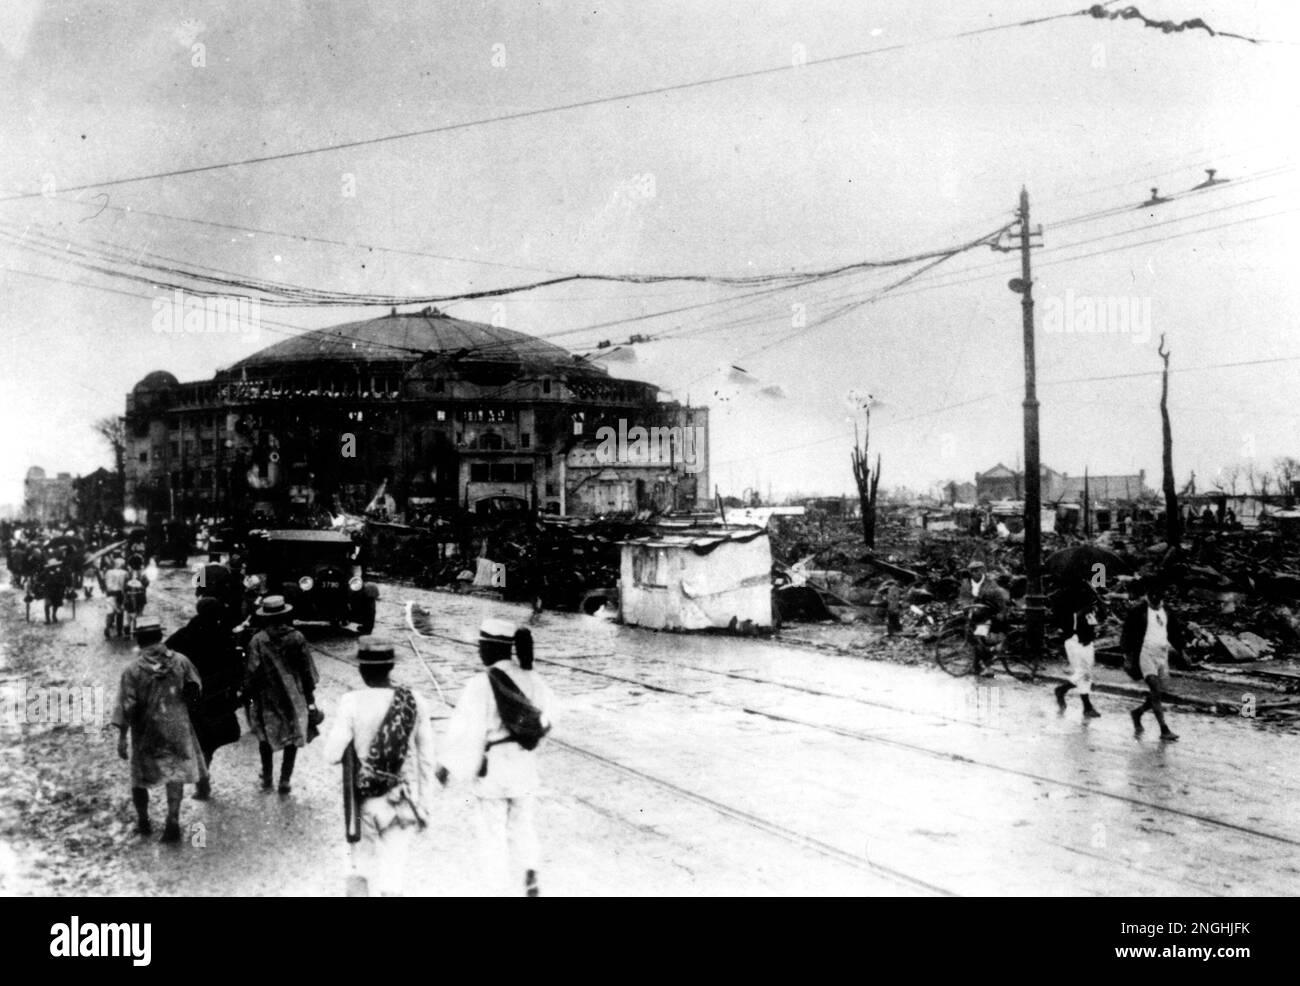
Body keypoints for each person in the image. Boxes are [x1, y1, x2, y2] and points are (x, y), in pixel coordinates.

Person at [437, 619, 557, 897]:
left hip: (494, 769)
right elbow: (550, 717)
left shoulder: (481, 683)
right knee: (523, 823)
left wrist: (446, 766)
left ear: (490, 649)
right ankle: (529, 868)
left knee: (492, 831)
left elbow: (464, 731)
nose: (479, 652)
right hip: (523, 764)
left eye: (481, 646)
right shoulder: (531, 677)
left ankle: (496, 888)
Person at [324, 637, 435, 897]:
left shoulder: (351, 701)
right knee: (393, 877)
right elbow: (427, 760)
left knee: (358, 870)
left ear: (361, 670)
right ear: (391, 668)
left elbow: (331, 754)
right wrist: (425, 807)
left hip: (365, 803)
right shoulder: (414, 701)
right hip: (402, 800)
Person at [111, 616, 205, 842]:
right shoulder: (181, 661)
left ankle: (143, 820)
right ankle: (172, 819)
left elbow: (126, 705)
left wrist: (122, 737)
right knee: (175, 771)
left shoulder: (133, 670)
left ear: (139, 639)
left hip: (145, 729)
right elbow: (196, 689)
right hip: (176, 725)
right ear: (160, 637)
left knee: (140, 776)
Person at [165, 597, 243, 800]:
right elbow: (235, 666)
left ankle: (202, 780)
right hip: (217, 697)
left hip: (191, 697)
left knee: (196, 738)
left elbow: (167, 657)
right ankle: (203, 778)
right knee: (210, 741)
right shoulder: (223, 636)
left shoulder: (184, 634)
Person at [244, 595, 319, 794]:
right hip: (294, 695)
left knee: (265, 735)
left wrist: (249, 694)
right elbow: (307, 671)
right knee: (293, 736)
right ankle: (285, 779)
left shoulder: (258, 640)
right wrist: (310, 699)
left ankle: (267, 777)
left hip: (267, 697)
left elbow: (252, 671)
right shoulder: (297, 637)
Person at [1121, 581, 1186, 742]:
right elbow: (1127, 634)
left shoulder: (1167, 611)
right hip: (1145, 654)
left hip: (1162, 655)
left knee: (1159, 693)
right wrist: (1128, 657)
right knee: (1155, 689)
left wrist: (1182, 651)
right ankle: (1164, 729)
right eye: (1152, 597)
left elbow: (1174, 632)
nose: (1155, 600)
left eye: (1159, 597)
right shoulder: (1138, 612)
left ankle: (1138, 713)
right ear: (1147, 595)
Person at [1053, 581, 1106, 718]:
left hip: (1087, 642)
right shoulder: (1074, 604)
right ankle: (1062, 689)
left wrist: (1099, 605)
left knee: (1086, 675)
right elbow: (1074, 621)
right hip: (1076, 642)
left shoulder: (1089, 605)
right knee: (1082, 672)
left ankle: (1087, 707)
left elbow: (1096, 619)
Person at [957, 560, 1009, 676]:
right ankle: (976, 667)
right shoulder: (966, 583)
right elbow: (963, 598)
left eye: (977, 570)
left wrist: (1001, 612)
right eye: (972, 571)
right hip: (971, 615)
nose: (974, 573)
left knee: (980, 639)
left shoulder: (990, 583)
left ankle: (989, 667)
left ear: (982, 571)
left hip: (987, 615)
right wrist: (966, 606)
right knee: (972, 640)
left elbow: (999, 599)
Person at [101, 556, 128, 638]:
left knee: (110, 612)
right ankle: (119, 631)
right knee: (120, 612)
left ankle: (107, 627)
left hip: (110, 593)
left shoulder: (108, 572)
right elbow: (126, 584)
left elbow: (104, 581)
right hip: (120, 593)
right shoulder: (124, 573)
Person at [42, 558, 67, 624]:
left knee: (52, 605)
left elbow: (63, 580)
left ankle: (52, 616)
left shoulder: (59, 572)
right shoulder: (46, 572)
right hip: (51, 590)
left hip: (54, 591)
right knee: (49, 605)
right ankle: (49, 618)